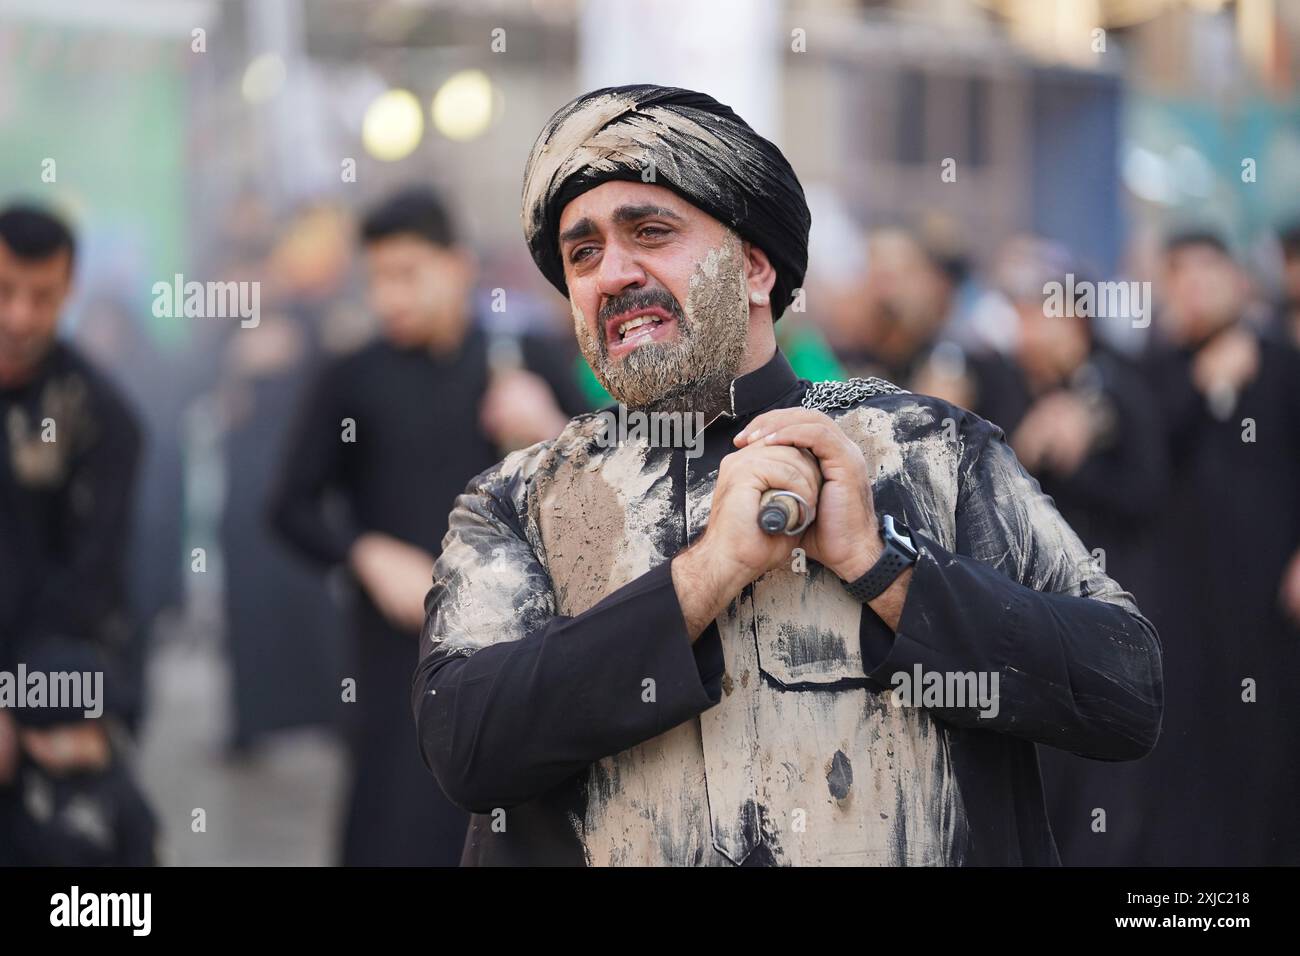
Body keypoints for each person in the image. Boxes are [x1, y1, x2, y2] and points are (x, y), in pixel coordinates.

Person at [412, 85, 1163, 866]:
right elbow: (464, 744)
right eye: (584, 252)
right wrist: (705, 576)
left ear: (756, 270)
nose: (613, 272)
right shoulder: (521, 499)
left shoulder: (932, 450)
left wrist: (886, 565)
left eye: (650, 231)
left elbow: (1126, 691)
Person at [270, 186, 586, 866]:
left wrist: (549, 429)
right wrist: (364, 553)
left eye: (408, 275)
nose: (391, 298)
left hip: (519, 645)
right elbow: (287, 505)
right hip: (396, 650)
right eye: (377, 279)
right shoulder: (352, 376)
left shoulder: (523, 358)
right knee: (394, 822)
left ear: (458, 265)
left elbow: (614, 495)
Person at [1113, 230, 1300, 865]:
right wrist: (1202, 387)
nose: (1193, 285)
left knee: (1267, 735)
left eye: (1206, 270)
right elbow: (1143, 464)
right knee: (1187, 739)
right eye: (1178, 273)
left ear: (1238, 279)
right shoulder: (1153, 370)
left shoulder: (1283, 361)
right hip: (1181, 591)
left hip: (1268, 588)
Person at [0, 204, 155, 864]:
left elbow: (87, 586)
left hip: (47, 674)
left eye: (42, 295)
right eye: (4, 292)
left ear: (69, 290)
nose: (20, 317)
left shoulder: (105, 418)